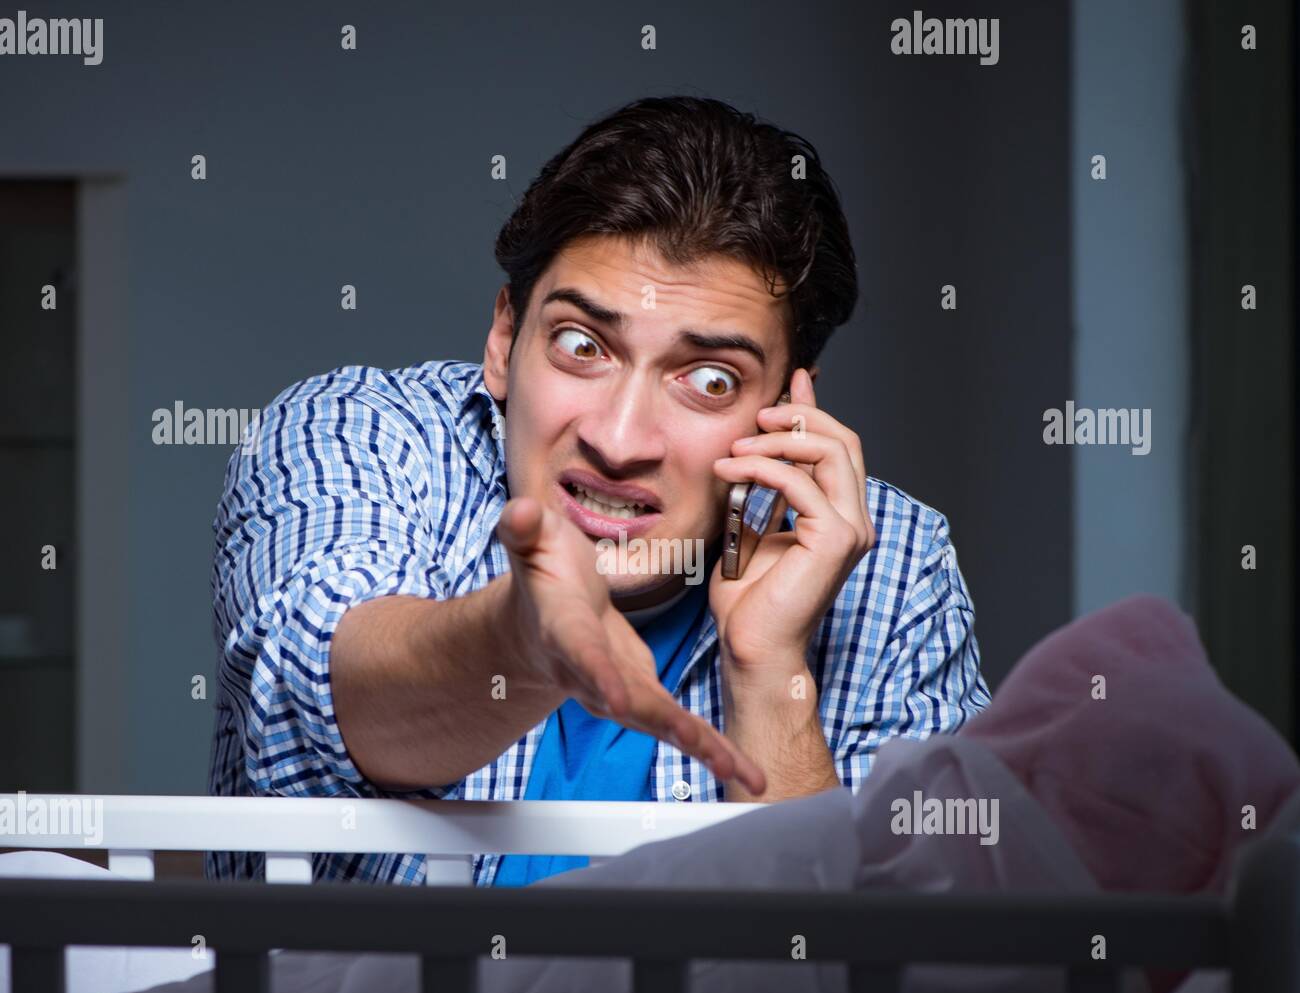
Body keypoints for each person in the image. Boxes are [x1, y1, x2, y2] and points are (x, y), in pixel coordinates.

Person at [206, 96, 991, 886]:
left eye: (709, 380)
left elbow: (879, 990)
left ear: (786, 411)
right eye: (583, 345)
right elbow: (322, 692)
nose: (618, 440)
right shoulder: (356, 435)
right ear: (505, 337)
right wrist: (528, 640)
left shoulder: (893, 567)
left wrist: (769, 672)